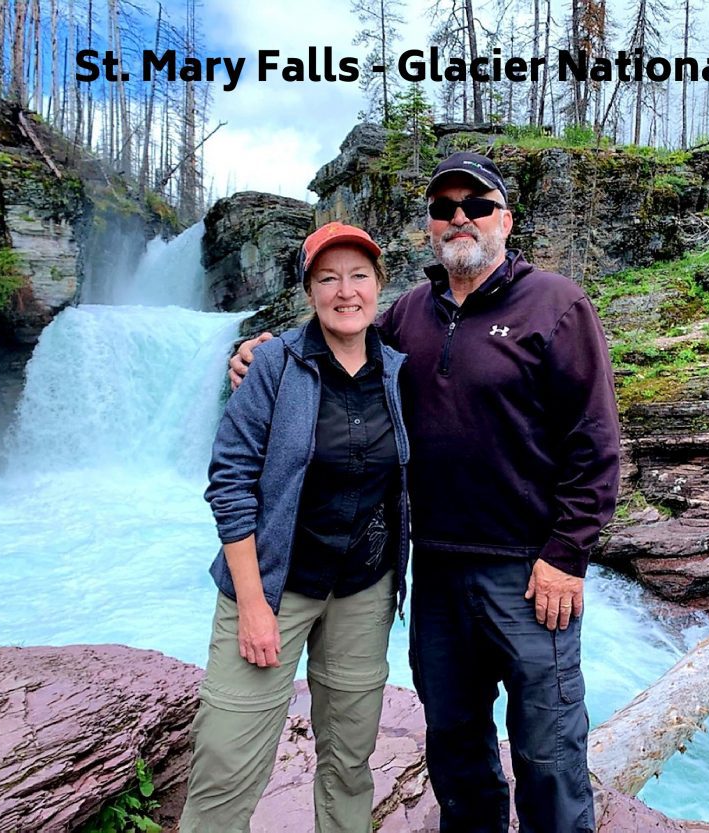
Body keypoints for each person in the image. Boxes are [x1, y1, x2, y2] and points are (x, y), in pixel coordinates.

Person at [230, 152, 620, 833]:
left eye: (476, 205)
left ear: (506, 218)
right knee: (457, 745)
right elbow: (336, 348)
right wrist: (264, 355)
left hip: (529, 571)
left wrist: (568, 553)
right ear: (431, 230)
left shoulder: (557, 305)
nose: (459, 218)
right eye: (444, 209)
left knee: (548, 749)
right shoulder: (410, 311)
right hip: (433, 571)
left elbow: (596, 443)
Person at [182, 222, 410, 833]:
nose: (345, 290)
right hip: (272, 586)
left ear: (379, 287)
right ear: (309, 291)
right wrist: (253, 604)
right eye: (328, 277)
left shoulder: (397, 371)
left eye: (359, 275)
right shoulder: (273, 365)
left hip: (363, 588)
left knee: (349, 760)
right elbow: (228, 483)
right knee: (228, 759)